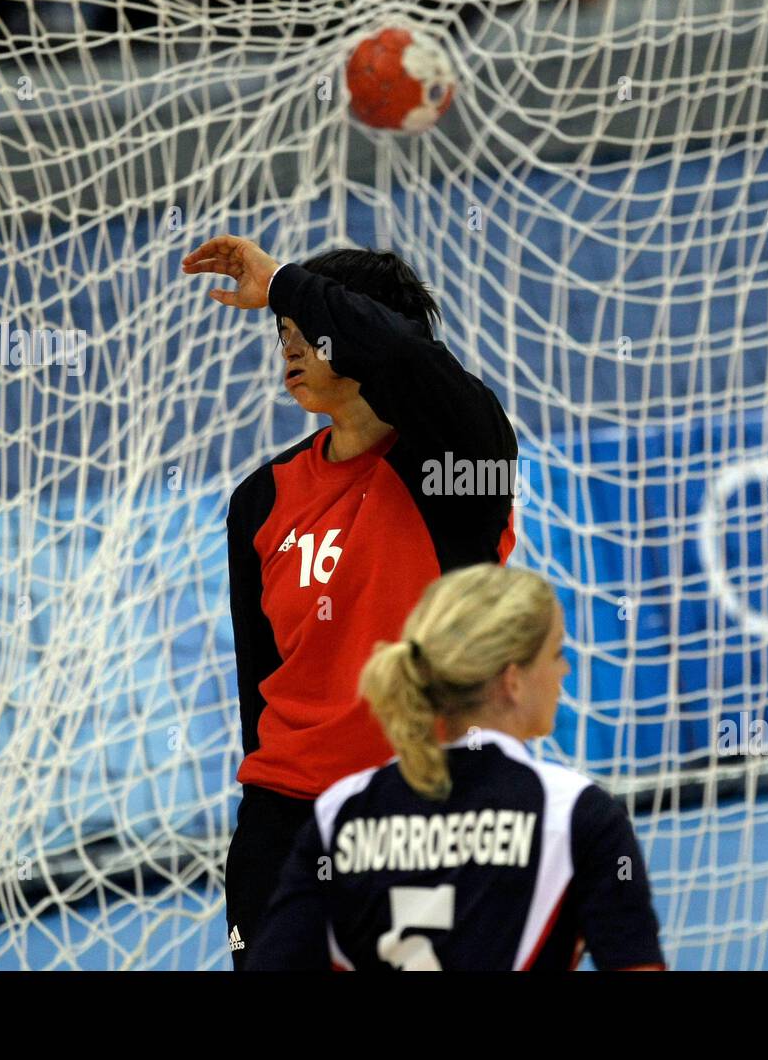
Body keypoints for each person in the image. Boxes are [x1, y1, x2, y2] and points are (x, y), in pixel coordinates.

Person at [181, 236, 518, 969]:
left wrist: (282, 283)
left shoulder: (460, 461)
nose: (289, 349)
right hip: (286, 828)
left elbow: (407, 364)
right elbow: (262, 691)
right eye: (283, 335)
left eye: (307, 332)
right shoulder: (262, 500)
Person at [247, 563, 666, 971]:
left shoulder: (339, 814)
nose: (564, 670)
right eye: (555, 652)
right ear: (512, 680)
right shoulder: (577, 814)